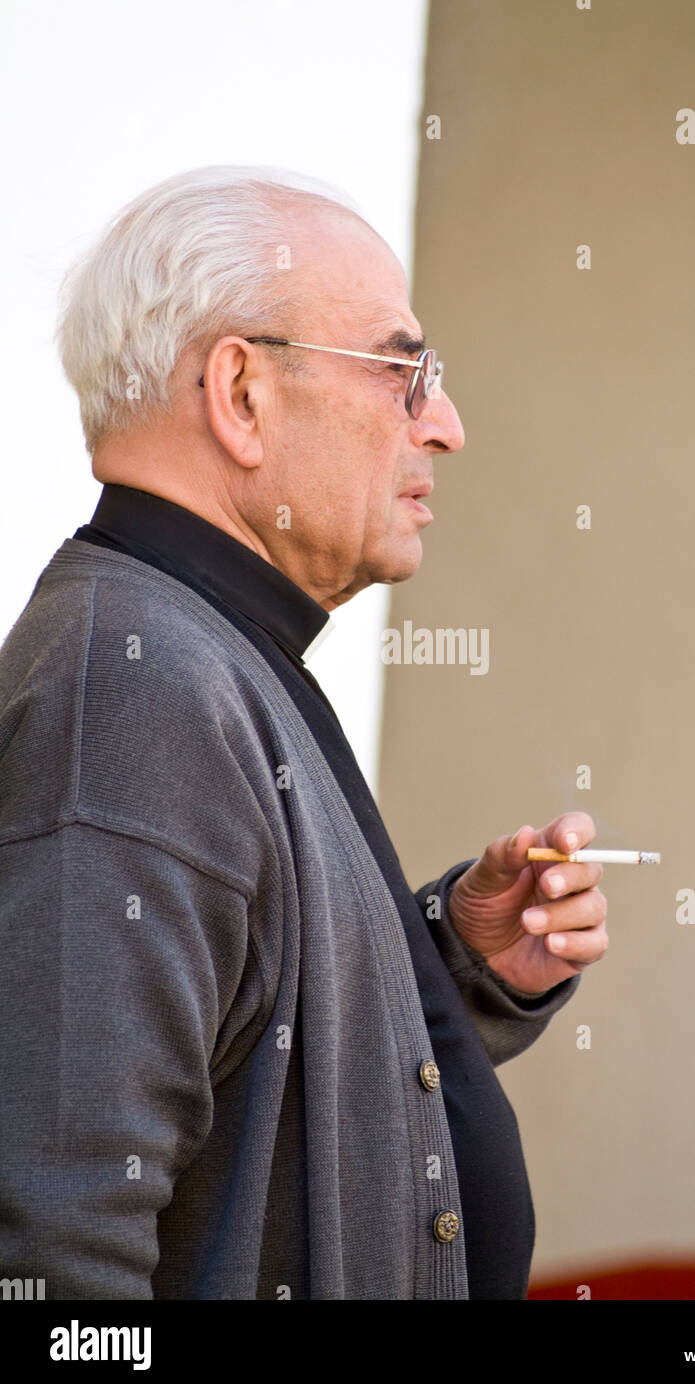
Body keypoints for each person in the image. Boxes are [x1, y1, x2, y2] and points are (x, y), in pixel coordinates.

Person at [0, 166, 608, 1300]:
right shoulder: (133, 684)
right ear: (239, 393)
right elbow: (55, 1250)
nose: (447, 424)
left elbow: (245, 1069)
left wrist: (449, 959)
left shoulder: (204, 647)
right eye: (402, 369)